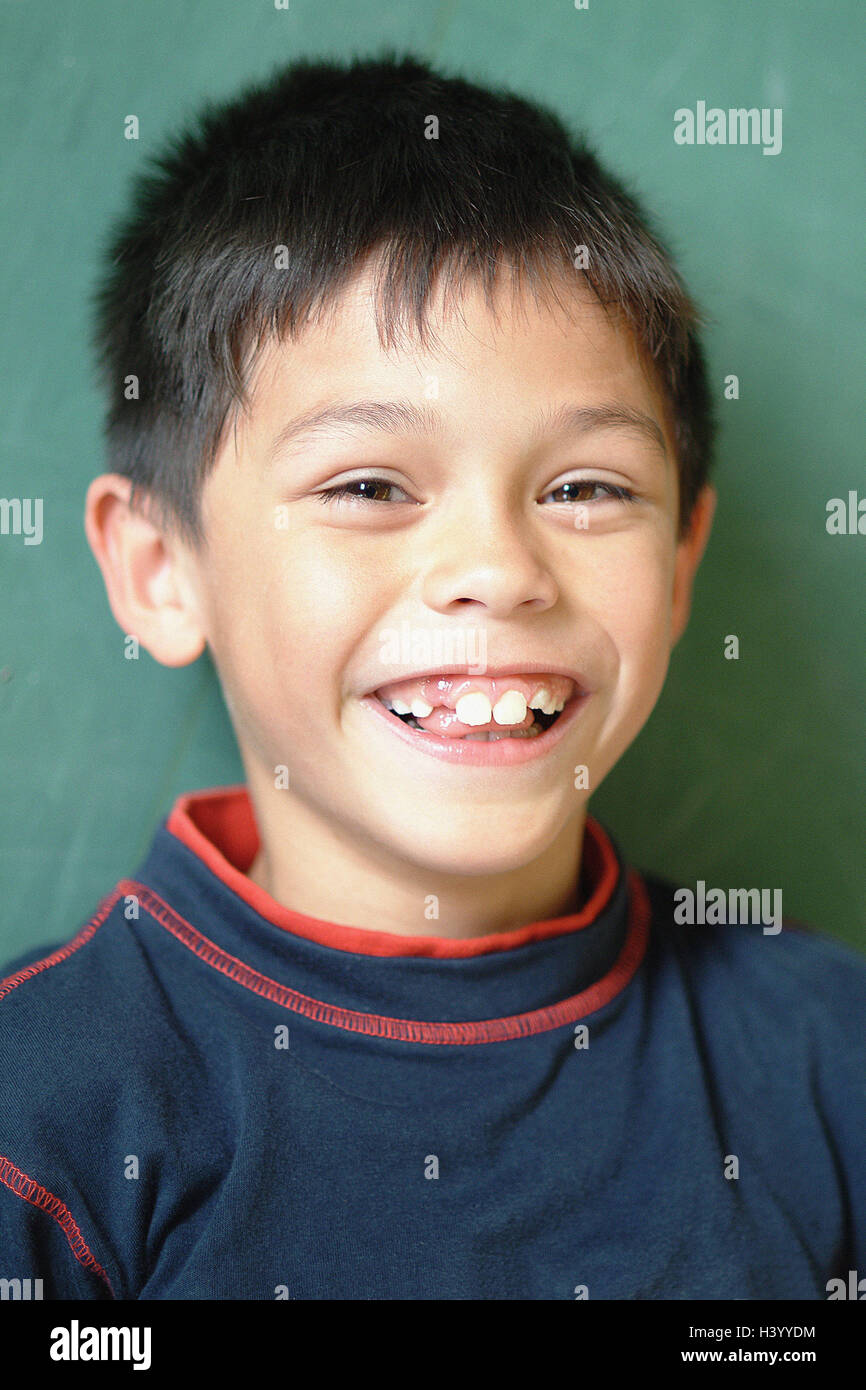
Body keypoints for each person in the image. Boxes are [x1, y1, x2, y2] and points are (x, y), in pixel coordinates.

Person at [1, 52, 863, 1301]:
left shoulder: (826, 1058)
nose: (497, 570)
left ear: (680, 564)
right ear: (159, 569)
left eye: (584, 489)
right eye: (367, 486)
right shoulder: (44, 1122)